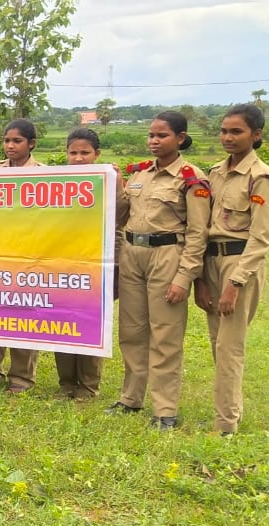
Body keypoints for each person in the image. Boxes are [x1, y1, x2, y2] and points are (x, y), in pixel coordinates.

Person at [109, 111, 210, 430]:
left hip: (167, 254)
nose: (153, 141)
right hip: (132, 254)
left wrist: (185, 276)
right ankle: (130, 398)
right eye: (151, 135)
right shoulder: (140, 174)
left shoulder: (192, 177)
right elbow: (121, 214)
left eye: (161, 135)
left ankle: (165, 409)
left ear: (180, 138)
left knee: (165, 334)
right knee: (132, 331)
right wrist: (116, 185)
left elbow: (198, 233)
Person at [194, 104, 268, 435]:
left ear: (256, 135)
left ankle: (226, 424)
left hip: (240, 264)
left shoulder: (260, 178)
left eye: (236, 131)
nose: (228, 137)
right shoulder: (215, 173)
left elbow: (261, 237)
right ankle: (228, 411)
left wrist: (236, 283)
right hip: (212, 261)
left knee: (229, 346)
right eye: (224, 130)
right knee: (215, 341)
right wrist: (202, 279)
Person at [0, 119, 45, 394]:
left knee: (25, 314)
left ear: (30, 144)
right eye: (6, 140)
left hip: (29, 255)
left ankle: (21, 377)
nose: (10, 146)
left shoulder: (46, 174)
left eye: (16, 141)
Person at [51, 128, 109, 400]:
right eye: (73, 153)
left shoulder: (108, 183)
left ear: (96, 154)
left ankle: (88, 387)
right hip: (60, 268)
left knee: (88, 324)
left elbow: (117, 225)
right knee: (61, 324)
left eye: (84, 153)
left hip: (94, 269)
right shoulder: (54, 183)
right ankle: (66, 383)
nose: (78, 158)